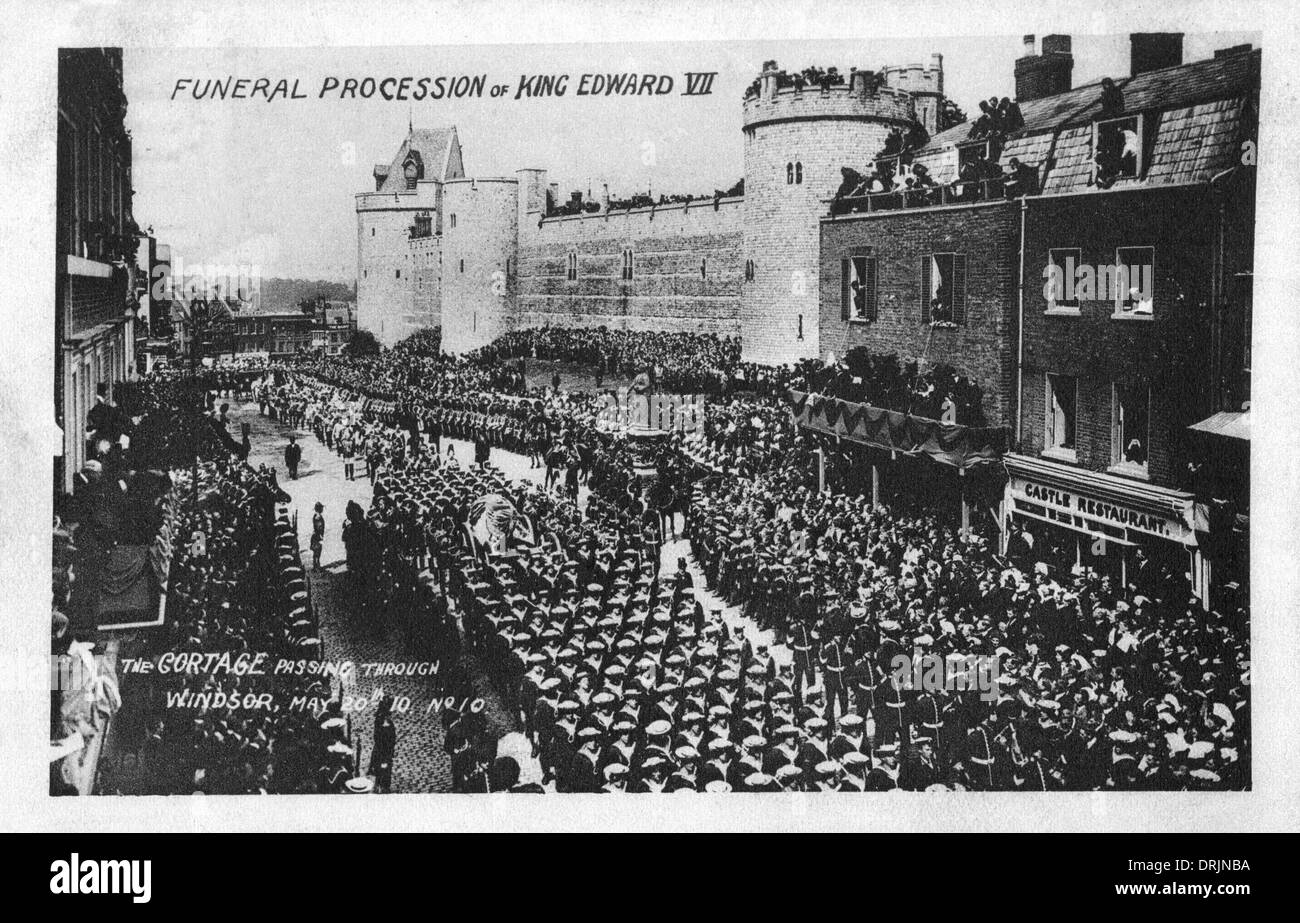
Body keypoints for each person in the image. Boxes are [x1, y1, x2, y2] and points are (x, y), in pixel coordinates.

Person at [369, 695, 397, 793]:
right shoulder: (385, 724)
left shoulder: (381, 720)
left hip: (381, 751)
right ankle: (382, 787)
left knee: (381, 771)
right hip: (384, 752)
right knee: (384, 771)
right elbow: (382, 739)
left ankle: (380, 785)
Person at [310, 502, 325, 569]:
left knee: (316, 551)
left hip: (315, 535)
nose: (322, 509)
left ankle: (315, 565)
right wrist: (320, 535)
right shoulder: (318, 516)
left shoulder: (316, 515)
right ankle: (316, 566)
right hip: (317, 536)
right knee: (317, 551)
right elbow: (319, 527)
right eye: (321, 508)